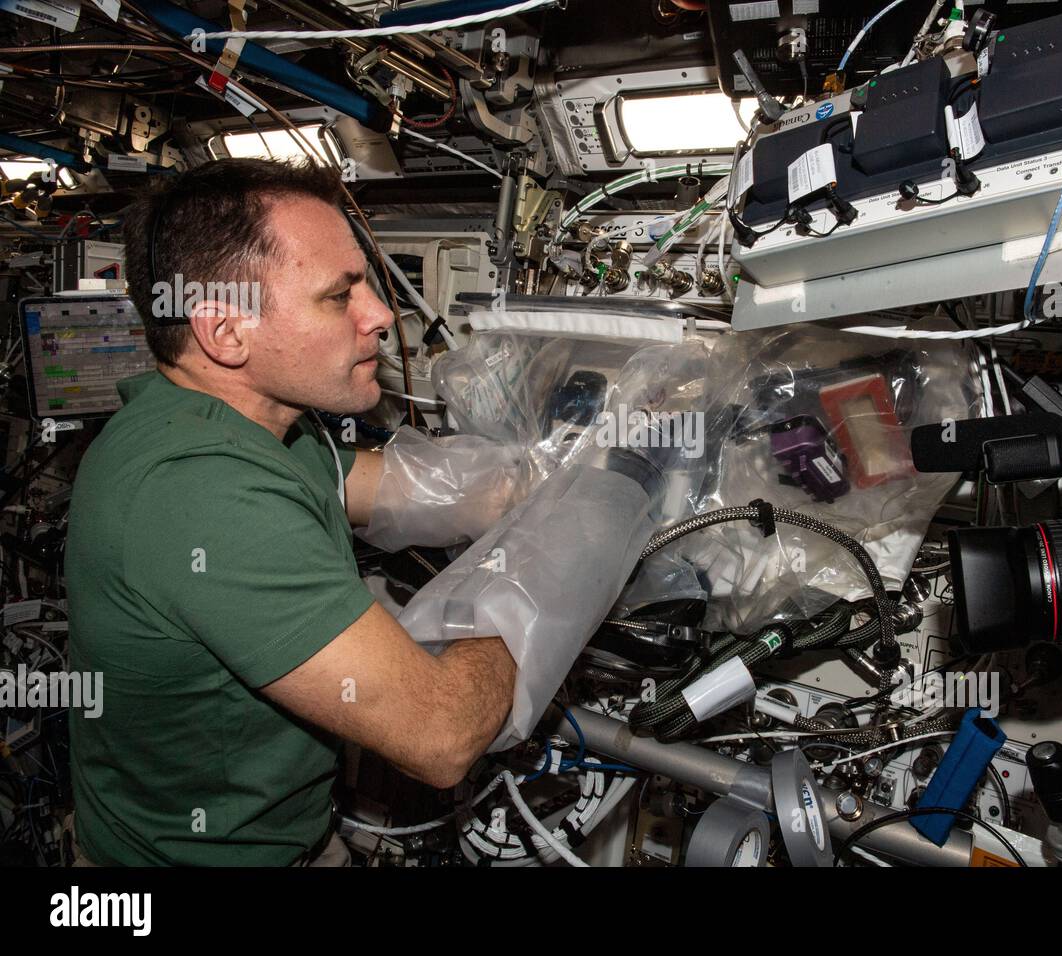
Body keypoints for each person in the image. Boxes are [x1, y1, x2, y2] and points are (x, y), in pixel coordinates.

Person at [64, 158, 657, 866]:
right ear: (225, 333)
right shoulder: (203, 490)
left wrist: (586, 465)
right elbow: (441, 735)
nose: (378, 314)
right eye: (337, 295)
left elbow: (412, 489)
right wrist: (565, 554)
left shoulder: (235, 424)